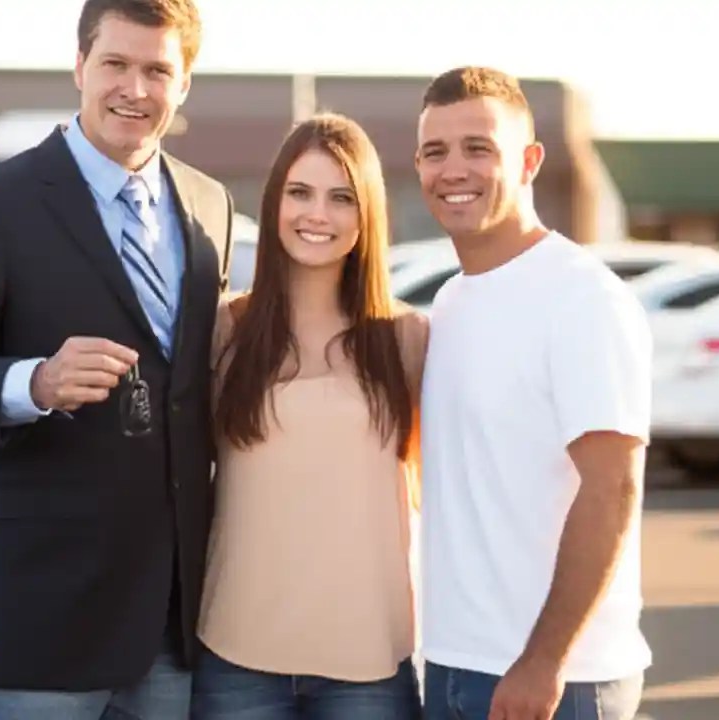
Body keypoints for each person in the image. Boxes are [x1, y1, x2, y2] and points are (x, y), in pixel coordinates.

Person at [0, 0, 235, 717]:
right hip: (38, 617)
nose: (134, 90)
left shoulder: (212, 206)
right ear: (80, 65)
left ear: (185, 84)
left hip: (171, 625)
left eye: (157, 71)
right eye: (115, 64)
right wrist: (37, 382)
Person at [415, 66, 652, 720]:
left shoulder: (582, 297)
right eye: (436, 151)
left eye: (478, 148)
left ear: (529, 161)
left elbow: (612, 490)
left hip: (554, 683)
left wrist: (544, 661)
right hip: (455, 663)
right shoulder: (451, 300)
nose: (454, 169)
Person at [192, 113, 427, 719]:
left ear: (366, 213)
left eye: (340, 197)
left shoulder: (407, 338)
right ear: (274, 204)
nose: (316, 214)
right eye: (300, 192)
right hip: (236, 659)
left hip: (368, 666)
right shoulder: (225, 328)